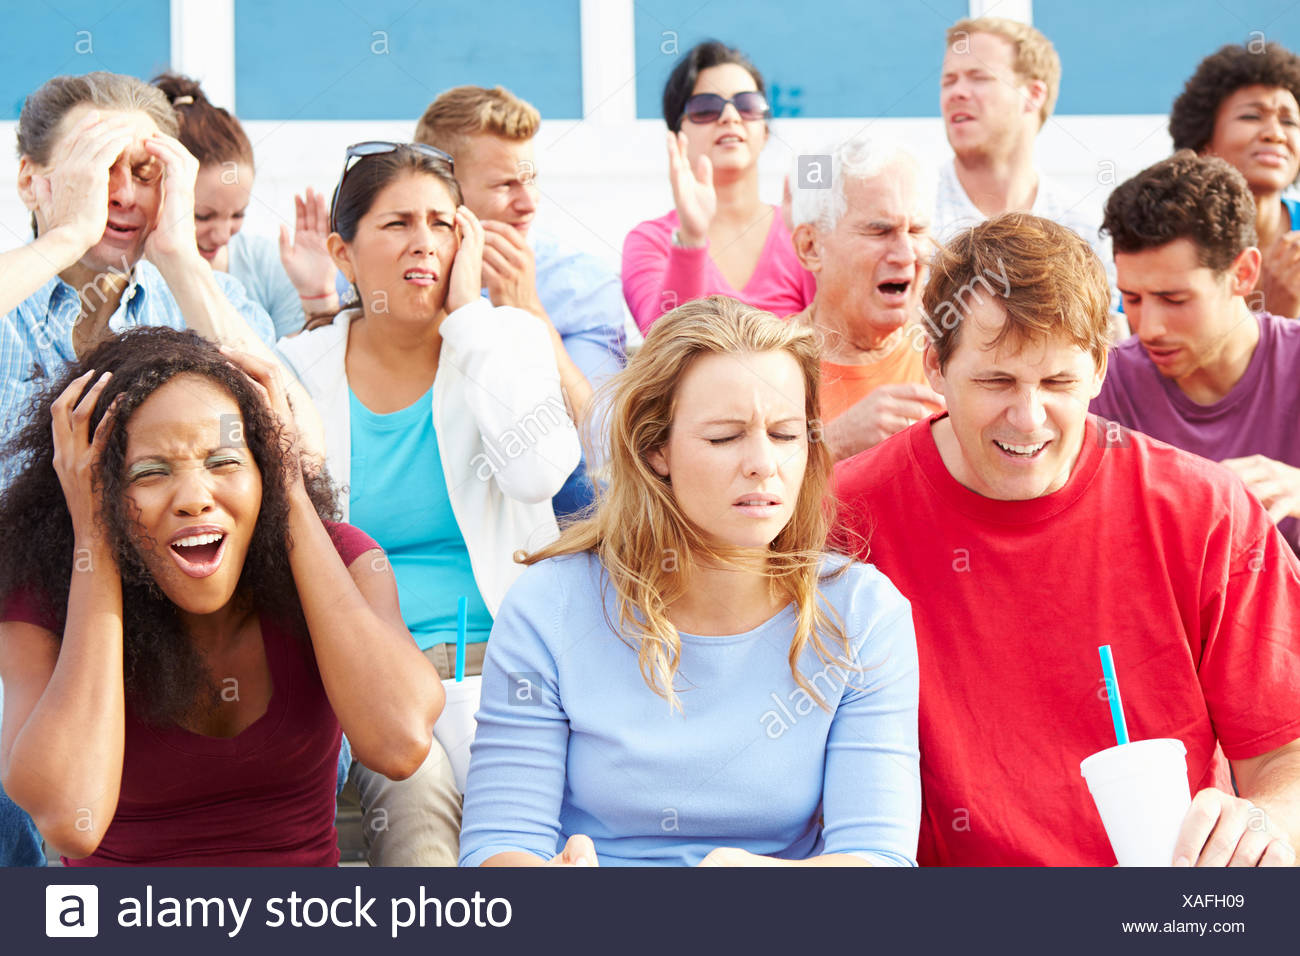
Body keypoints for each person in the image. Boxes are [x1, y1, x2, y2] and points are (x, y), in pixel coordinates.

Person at [834, 213, 1300, 867]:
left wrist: (1266, 823)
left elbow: (1285, 752)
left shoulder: (1205, 513)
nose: (1027, 418)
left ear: (1102, 368)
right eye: (995, 382)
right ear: (935, 366)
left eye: (1057, 383)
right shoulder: (846, 516)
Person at [459, 295, 920, 867]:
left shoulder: (863, 613)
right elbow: (496, 845)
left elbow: (877, 857)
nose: (762, 464)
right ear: (656, 449)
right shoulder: (546, 607)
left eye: (784, 434)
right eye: (725, 436)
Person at [0, 327, 442, 864]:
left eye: (225, 462)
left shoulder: (341, 561)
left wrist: (289, 486)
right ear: (97, 488)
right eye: (149, 472)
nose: (194, 499)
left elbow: (399, 744)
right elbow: (71, 819)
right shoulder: (44, 598)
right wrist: (96, 537)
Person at [277, 143, 581, 866]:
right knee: (416, 811)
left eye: (444, 224)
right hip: (372, 689)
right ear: (342, 254)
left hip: (508, 675)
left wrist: (470, 319)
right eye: (397, 225)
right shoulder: (298, 368)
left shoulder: (508, 341)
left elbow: (540, 472)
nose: (424, 243)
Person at [0, 71, 322, 466]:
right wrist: (69, 236)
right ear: (30, 181)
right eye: (97, 167)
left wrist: (180, 258)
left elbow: (305, 453)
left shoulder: (211, 299)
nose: (124, 194)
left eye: (144, 173)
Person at [414, 84, 627, 516]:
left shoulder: (579, 283)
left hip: (554, 509)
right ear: (444, 189)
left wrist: (528, 310)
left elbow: (605, 453)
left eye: (530, 180)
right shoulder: (398, 273)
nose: (528, 203)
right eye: (505, 185)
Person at [1092, 152, 1300, 554]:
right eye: (1131, 298)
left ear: (1243, 274)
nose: (1148, 327)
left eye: (1174, 299)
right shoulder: (1101, 386)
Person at [622, 41, 815, 333]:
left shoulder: (801, 230)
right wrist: (691, 239)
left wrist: (816, 243)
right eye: (706, 108)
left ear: (764, 130)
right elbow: (664, 349)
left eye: (748, 105)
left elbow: (834, 340)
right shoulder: (649, 242)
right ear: (676, 135)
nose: (730, 117)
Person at [935, 18, 1115, 306]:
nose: (956, 92)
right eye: (948, 80)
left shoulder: (1086, 231)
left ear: (1033, 95)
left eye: (979, 77)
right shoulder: (910, 217)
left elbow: (1105, 344)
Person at [787, 134, 945, 461]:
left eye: (916, 231)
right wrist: (832, 444)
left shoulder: (956, 354)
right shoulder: (765, 365)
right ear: (811, 247)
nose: (906, 255)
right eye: (879, 231)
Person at [152, 73, 342, 338]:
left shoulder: (269, 266)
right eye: (203, 216)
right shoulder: (129, 281)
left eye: (237, 214)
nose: (221, 235)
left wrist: (319, 300)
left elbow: (302, 376)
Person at [1170, 41, 1300, 319]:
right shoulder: (1168, 242)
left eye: (1289, 122)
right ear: (1203, 142)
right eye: (1251, 116)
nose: (1275, 134)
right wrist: (1282, 322)